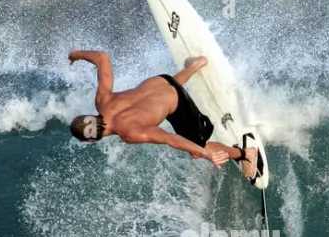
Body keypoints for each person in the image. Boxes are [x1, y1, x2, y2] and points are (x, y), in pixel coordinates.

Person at [67, 50, 259, 181]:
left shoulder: (128, 133)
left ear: (91, 140)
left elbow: (169, 138)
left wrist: (206, 154)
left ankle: (245, 154)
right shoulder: (102, 101)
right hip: (160, 80)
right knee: (163, 94)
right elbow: (102, 57)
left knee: (196, 148)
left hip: (177, 101)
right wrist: (75, 54)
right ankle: (196, 64)